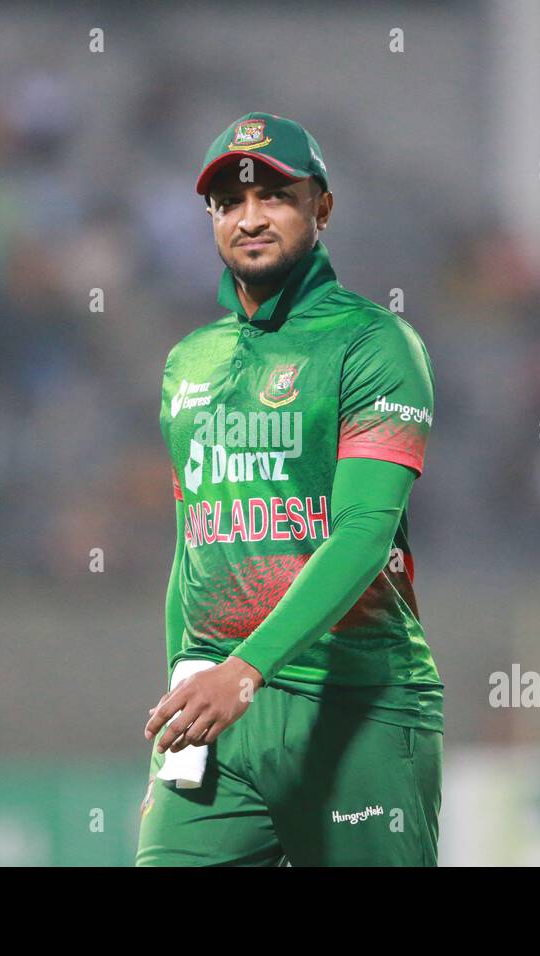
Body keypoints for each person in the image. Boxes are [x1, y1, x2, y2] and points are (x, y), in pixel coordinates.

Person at [136, 112, 443, 866]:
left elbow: (365, 534)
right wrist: (188, 700)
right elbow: (195, 548)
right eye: (229, 202)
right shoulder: (189, 364)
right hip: (219, 717)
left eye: (273, 196)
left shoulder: (374, 344)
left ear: (321, 207)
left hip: (354, 710)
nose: (249, 218)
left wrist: (246, 669)